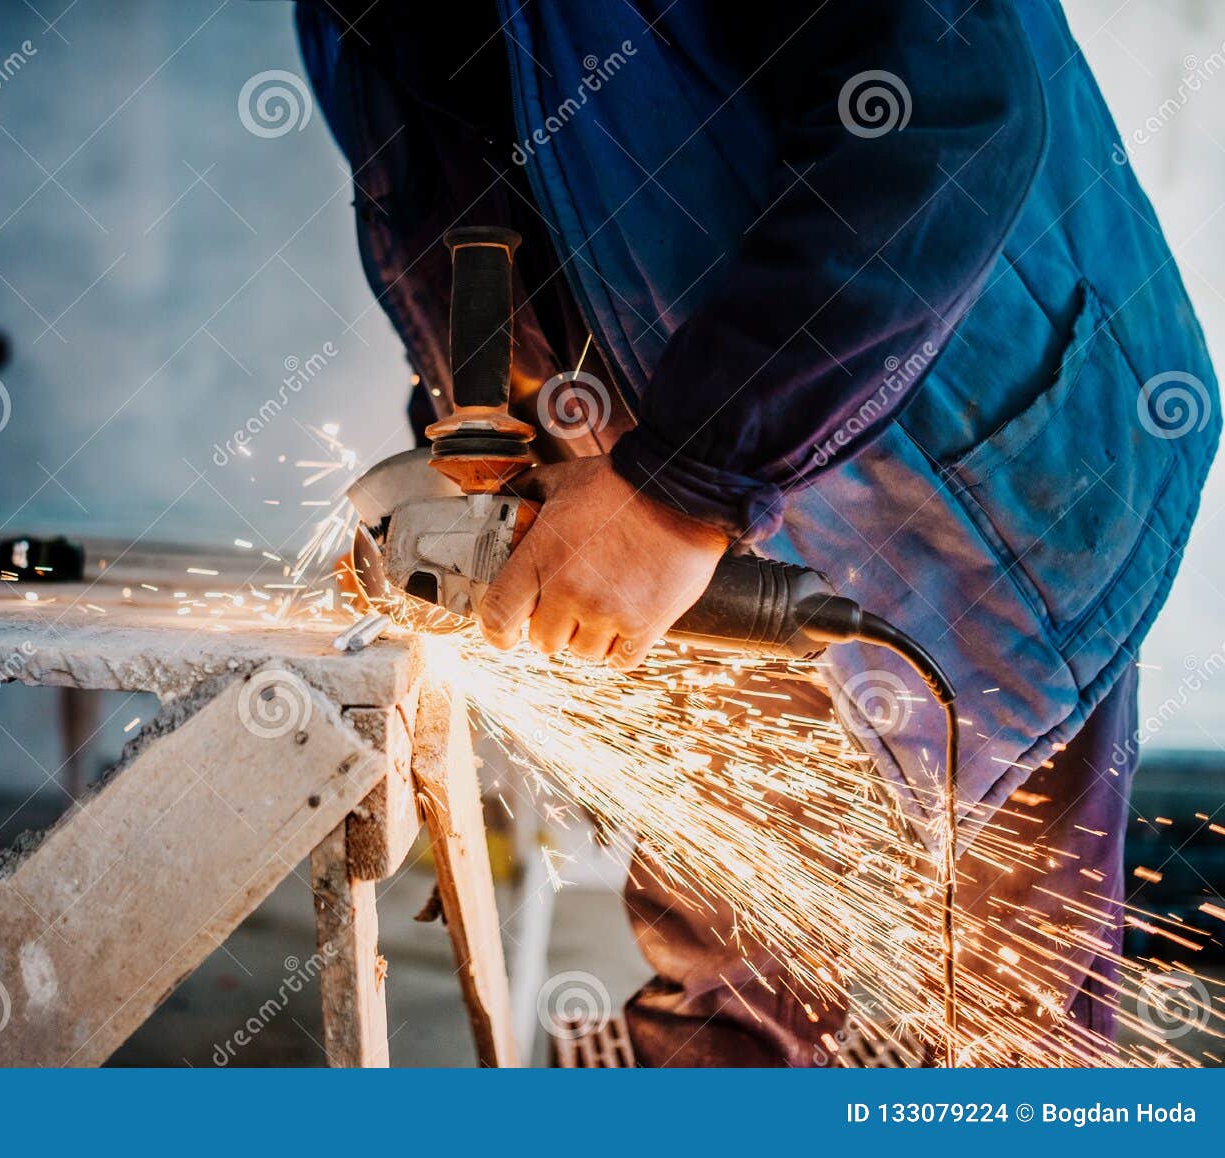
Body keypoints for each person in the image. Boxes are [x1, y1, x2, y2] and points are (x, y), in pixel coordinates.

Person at [299, 0, 1218, 1063]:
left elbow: (946, 111)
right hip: (659, 470)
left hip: (979, 473)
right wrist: (485, 445)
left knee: (1010, 982)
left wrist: (683, 488)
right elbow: (472, 209)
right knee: (723, 966)